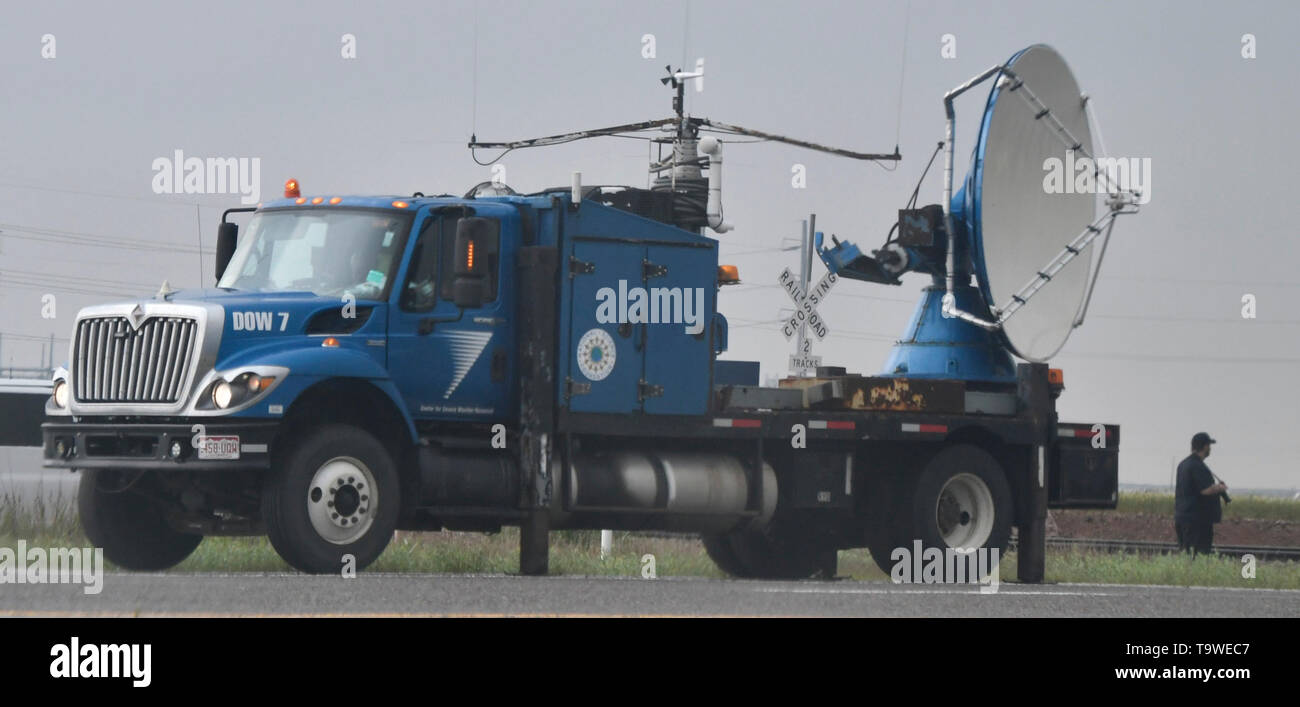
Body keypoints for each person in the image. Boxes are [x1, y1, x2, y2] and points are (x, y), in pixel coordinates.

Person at [1174, 432, 1227, 556]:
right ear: (1204, 447)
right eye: (1209, 445)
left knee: (1186, 555)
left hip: (1182, 518)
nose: (1210, 449)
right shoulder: (1197, 466)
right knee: (1199, 555)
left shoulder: (1183, 464)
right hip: (1197, 521)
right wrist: (1220, 488)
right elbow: (1205, 490)